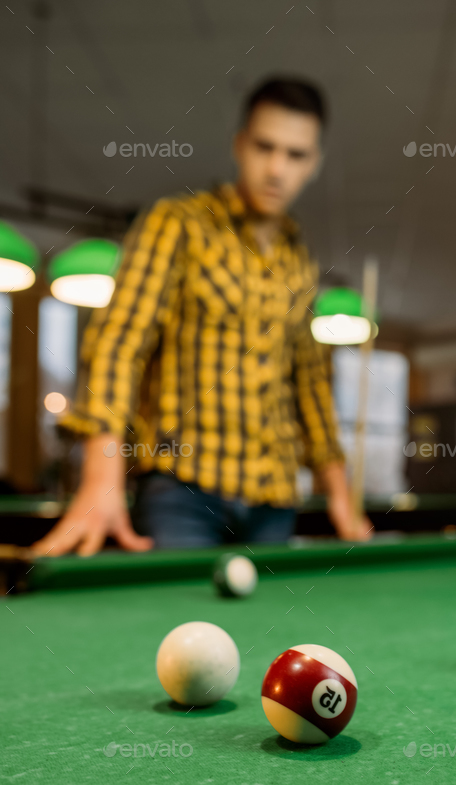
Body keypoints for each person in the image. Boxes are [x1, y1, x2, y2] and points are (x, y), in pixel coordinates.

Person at [33, 77, 372, 556]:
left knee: (269, 631)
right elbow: (118, 342)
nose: (277, 169)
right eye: (264, 147)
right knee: (176, 631)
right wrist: (101, 476)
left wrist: (339, 492)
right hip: (183, 492)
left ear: (314, 163)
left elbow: (311, 385)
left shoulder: (301, 261)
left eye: (295, 155)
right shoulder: (177, 223)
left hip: (275, 500)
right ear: (239, 145)